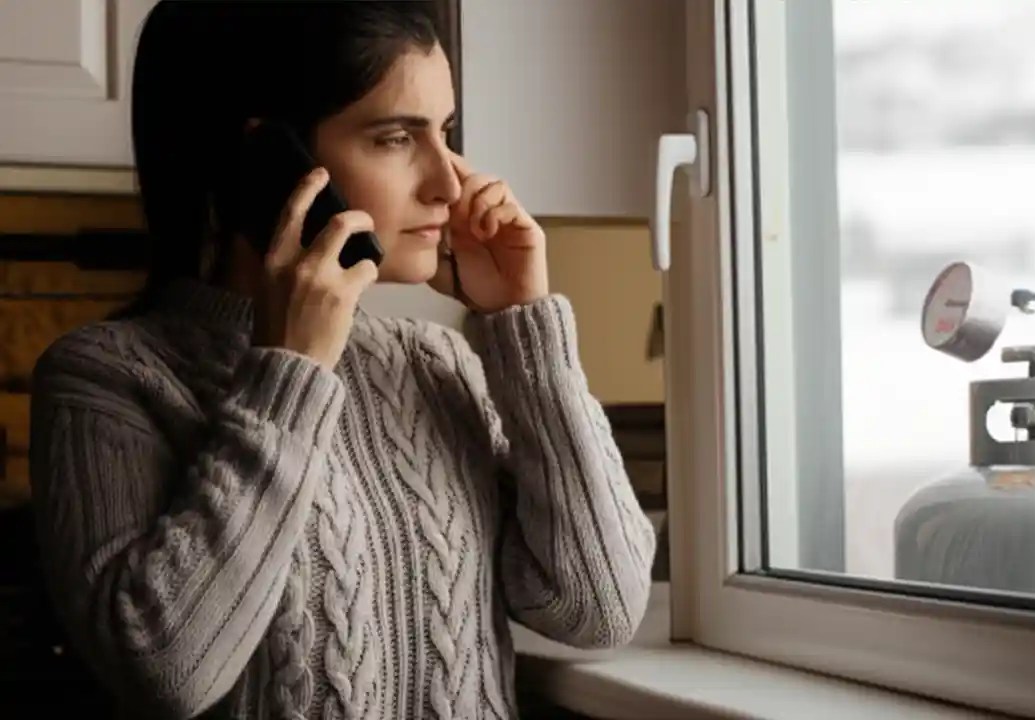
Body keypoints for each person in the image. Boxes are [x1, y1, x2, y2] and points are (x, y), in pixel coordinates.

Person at [25, 2, 655, 719]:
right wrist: (289, 371)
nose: (449, 184)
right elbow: (168, 673)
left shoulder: (436, 361)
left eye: (444, 133)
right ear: (266, 162)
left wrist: (523, 330)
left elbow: (596, 609)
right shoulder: (106, 377)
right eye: (394, 137)